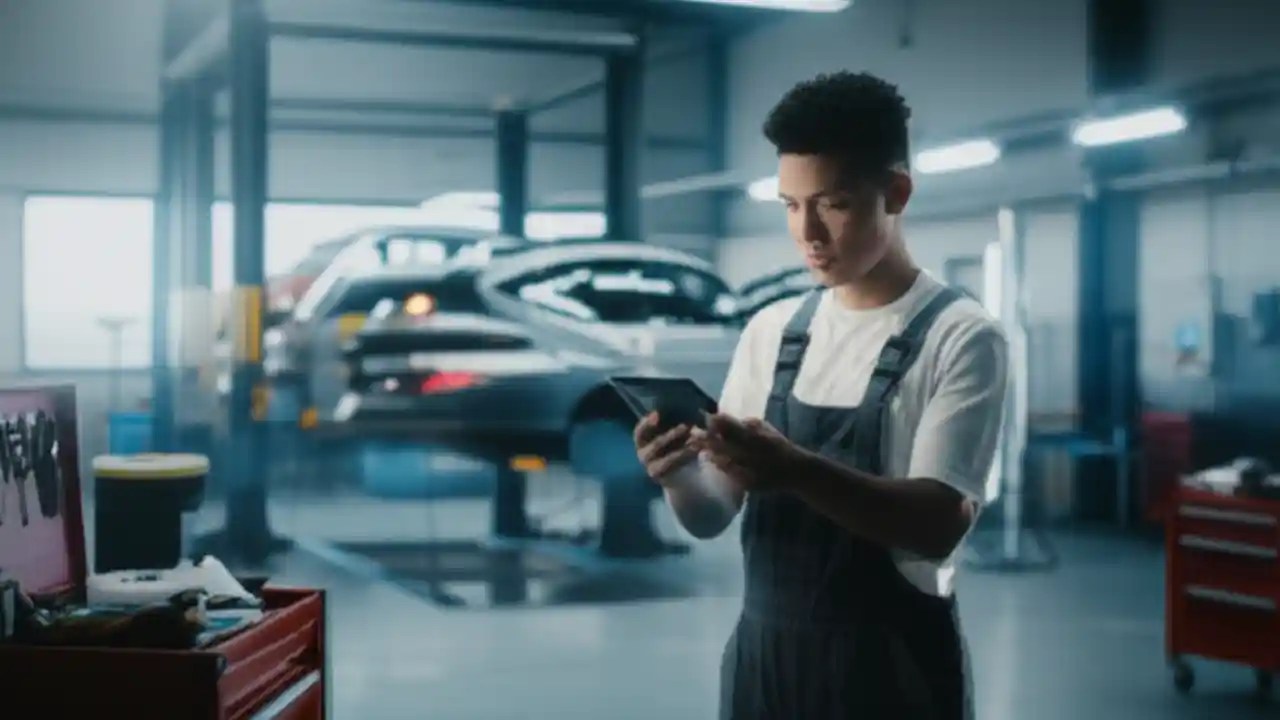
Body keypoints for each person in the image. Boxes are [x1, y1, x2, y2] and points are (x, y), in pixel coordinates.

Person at [633, 71, 1008, 719]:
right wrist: (678, 478)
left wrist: (796, 470)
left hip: (891, 674)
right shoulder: (772, 332)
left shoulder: (962, 337)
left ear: (896, 193)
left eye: (832, 204)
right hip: (764, 661)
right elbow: (713, 514)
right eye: (789, 204)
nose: (807, 233)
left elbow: (936, 525)